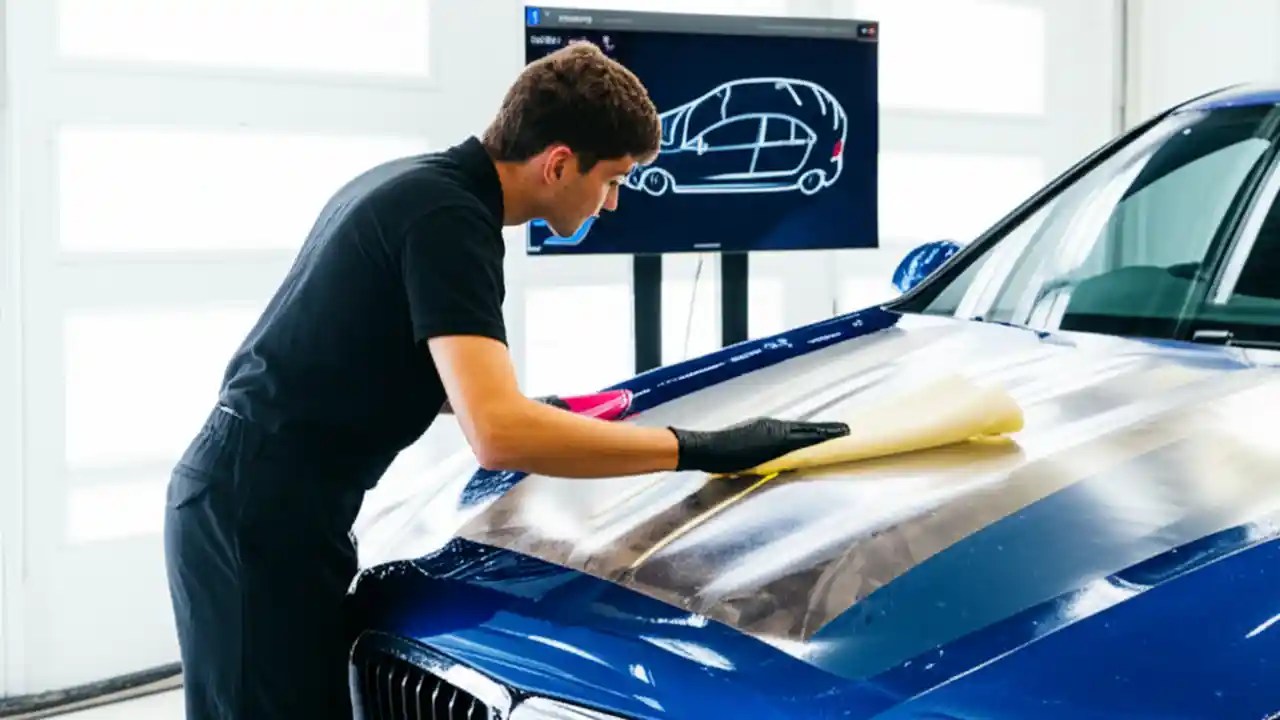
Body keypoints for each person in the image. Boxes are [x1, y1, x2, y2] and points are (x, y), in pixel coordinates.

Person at [163, 41, 849, 720]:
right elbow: (497, 436)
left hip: (253, 500)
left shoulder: (417, 186)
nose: (612, 204)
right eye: (613, 179)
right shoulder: (450, 220)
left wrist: (543, 411)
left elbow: (363, 360)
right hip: (256, 519)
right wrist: (697, 448)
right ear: (557, 163)